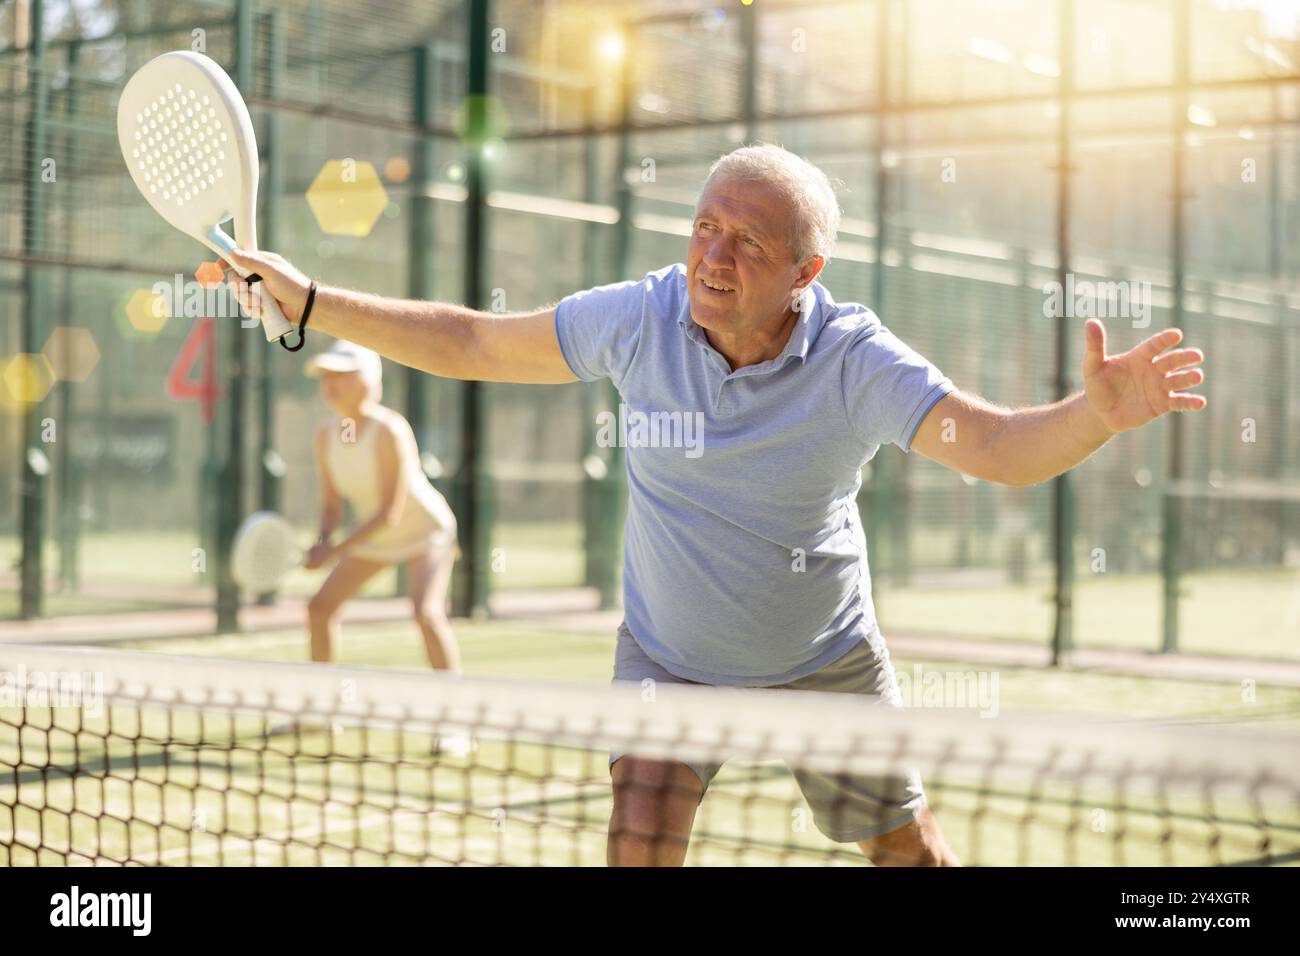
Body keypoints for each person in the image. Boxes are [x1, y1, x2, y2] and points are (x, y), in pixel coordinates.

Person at [221, 143, 1207, 867]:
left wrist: (1095, 413)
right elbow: (475, 342)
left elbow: (992, 445)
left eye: (747, 240)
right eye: (704, 225)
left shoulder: (856, 360)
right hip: (668, 663)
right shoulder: (638, 316)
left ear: (802, 274)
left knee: (907, 854)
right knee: (637, 840)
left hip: (827, 662)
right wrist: (311, 302)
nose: (712, 253)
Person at [300, 339, 460, 674]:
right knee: (320, 608)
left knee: (425, 613)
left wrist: (334, 551)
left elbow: (391, 512)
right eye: (325, 376)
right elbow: (331, 507)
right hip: (376, 538)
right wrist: (323, 540)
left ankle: (456, 720)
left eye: (340, 375)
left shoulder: (390, 430)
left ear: (368, 382)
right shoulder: (324, 437)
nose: (329, 384)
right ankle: (322, 711)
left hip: (426, 530)